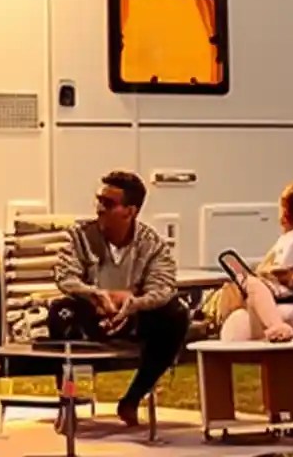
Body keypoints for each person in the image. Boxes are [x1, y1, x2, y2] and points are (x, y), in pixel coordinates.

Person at [47, 170, 189, 428]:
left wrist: (132, 303)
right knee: (60, 311)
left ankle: (132, 400)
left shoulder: (152, 244)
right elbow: (65, 276)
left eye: (108, 203)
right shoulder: (80, 236)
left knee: (177, 314)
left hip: (134, 317)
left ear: (130, 211)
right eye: (98, 200)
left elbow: (163, 287)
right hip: (90, 314)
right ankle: (67, 403)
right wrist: (95, 295)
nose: (99, 208)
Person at [218, 180, 293, 343]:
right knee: (242, 314)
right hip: (278, 297)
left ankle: (277, 326)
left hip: (287, 298)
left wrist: (269, 276)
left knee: (252, 284)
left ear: (285, 215)